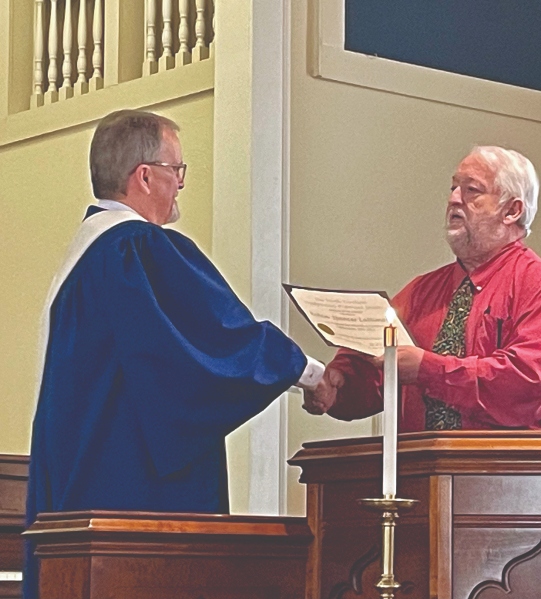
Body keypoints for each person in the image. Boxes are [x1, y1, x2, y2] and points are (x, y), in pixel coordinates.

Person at [24, 110, 322, 598]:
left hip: (77, 494)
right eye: (176, 170)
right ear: (144, 175)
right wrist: (308, 373)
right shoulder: (136, 249)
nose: (180, 185)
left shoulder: (82, 263)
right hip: (132, 500)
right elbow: (213, 338)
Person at [303, 146, 541, 432]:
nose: (453, 199)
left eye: (471, 190)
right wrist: (337, 386)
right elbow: (374, 368)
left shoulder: (540, 284)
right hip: (428, 468)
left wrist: (428, 370)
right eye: (453, 187)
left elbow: (530, 384)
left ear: (512, 211)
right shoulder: (421, 291)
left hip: (521, 469)